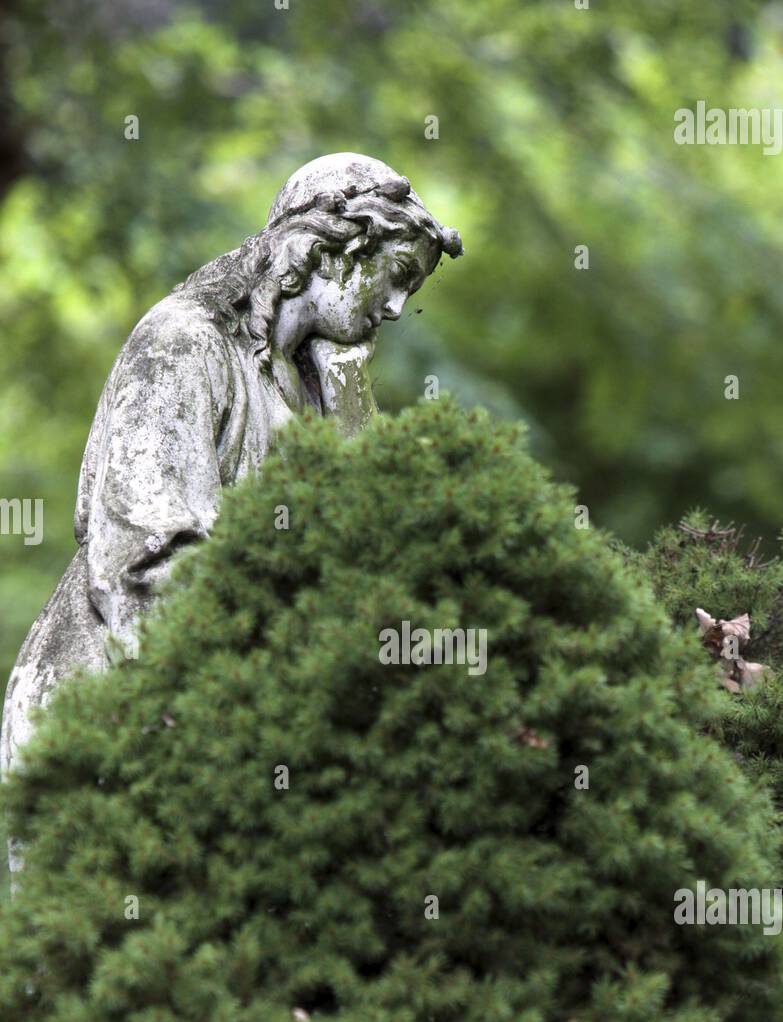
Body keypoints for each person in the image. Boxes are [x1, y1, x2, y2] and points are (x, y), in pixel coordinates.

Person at [0, 152, 463, 786]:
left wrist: (348, 387)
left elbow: (376, 562)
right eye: (397, 274)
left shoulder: (311, 386)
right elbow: (149, 557)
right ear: (331, 249)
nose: (395, 308)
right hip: (116, 712)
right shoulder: (182, 342)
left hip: (238, 727)